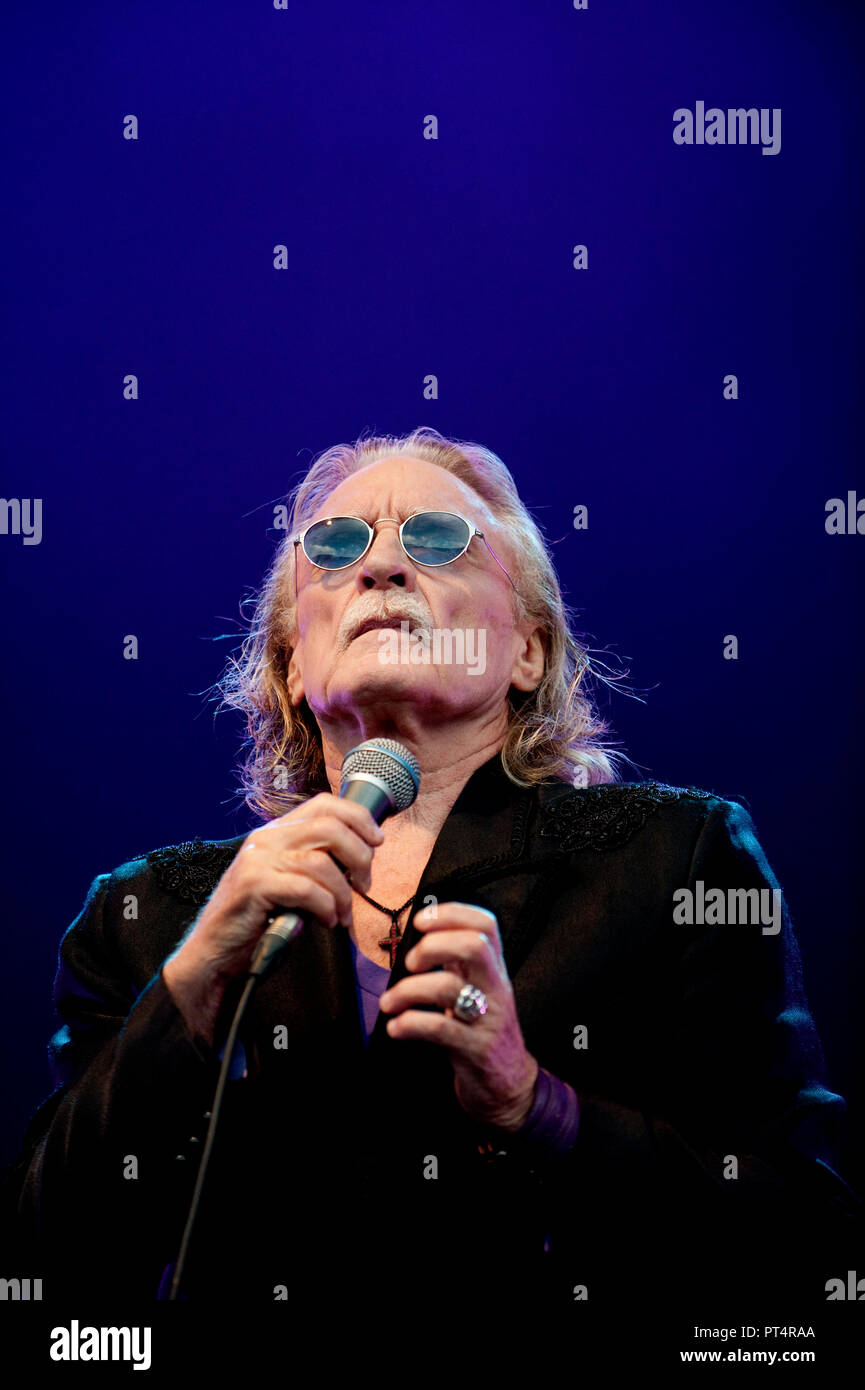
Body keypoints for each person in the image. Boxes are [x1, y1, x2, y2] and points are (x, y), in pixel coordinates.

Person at [3, 427, 859, 1322]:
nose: (379, 567)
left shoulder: (672, 860)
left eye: (438, 539)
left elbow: (812, 1251)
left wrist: (539, 1108)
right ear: (295, 664)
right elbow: (39, 1273)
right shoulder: (147, 919)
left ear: (528, 648)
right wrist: (188, 992)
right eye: (334, 548)